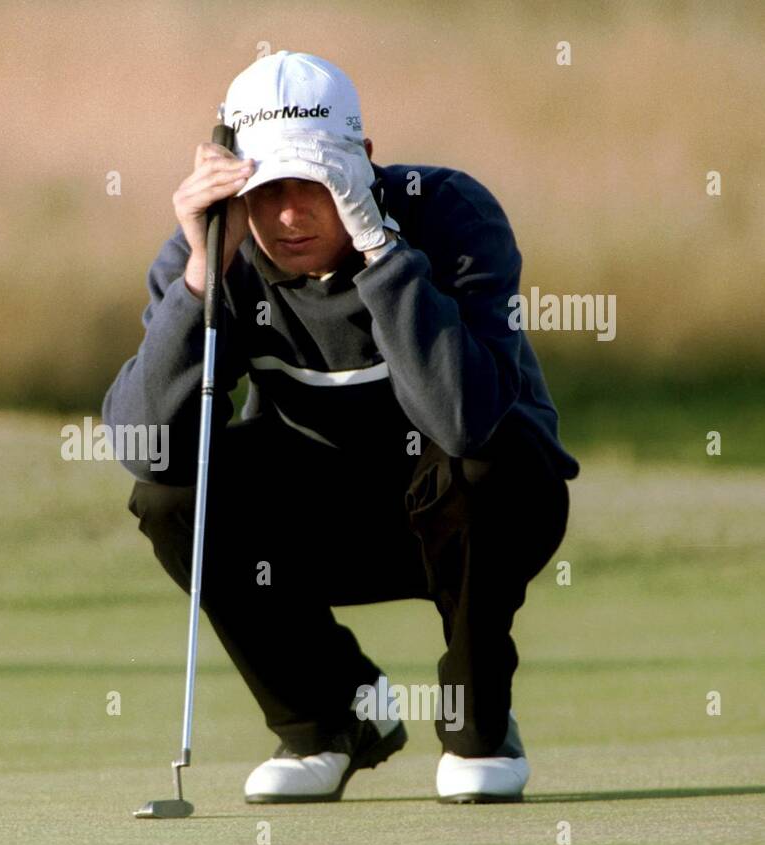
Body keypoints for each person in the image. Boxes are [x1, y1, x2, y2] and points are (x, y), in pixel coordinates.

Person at [102, 51, 579, 804]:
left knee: (489, 457)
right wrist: (201, 279)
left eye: (312, 181)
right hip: (317, 527)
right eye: (265, 188)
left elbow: (466, 417)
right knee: (169, 496)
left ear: (362, 159)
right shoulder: (214, 250)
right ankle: (331, 720)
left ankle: (478, 722)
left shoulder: (450, 214)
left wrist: (382, 253)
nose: (288, 214)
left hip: (472, 510)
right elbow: (144, 447)